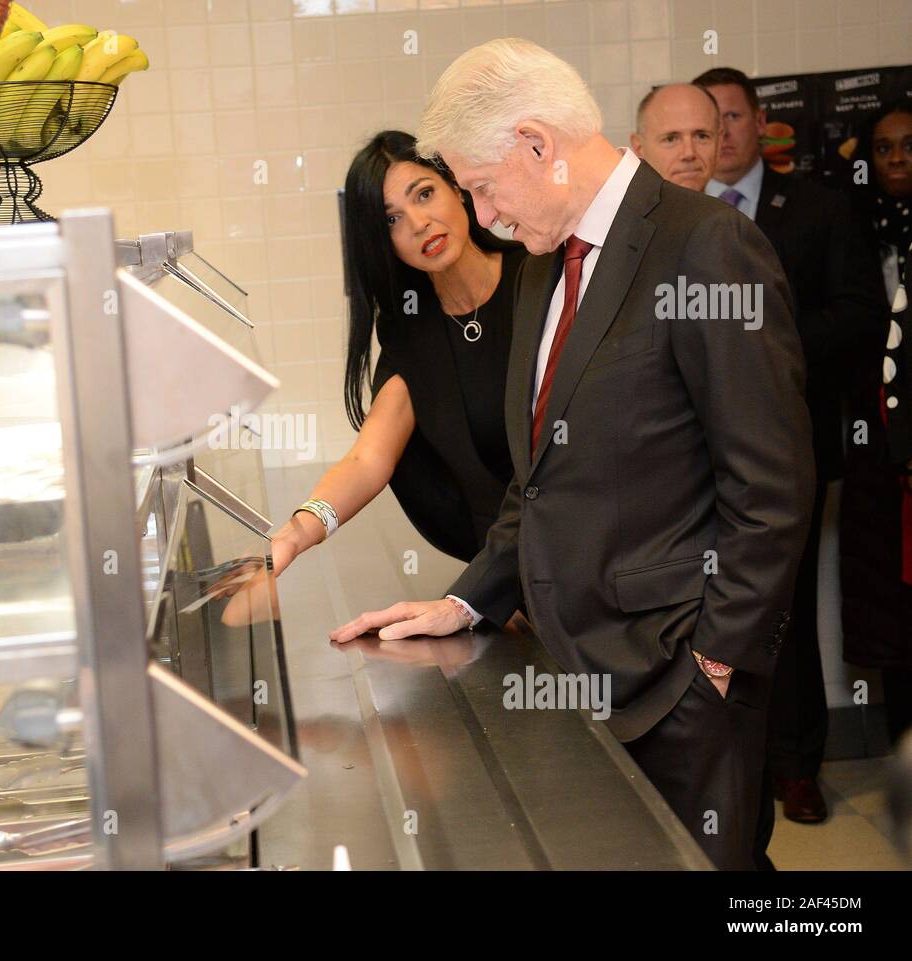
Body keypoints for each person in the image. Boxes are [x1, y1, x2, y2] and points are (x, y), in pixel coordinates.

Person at [331, 39, 815, 871]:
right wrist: (467, 602)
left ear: (536, 144)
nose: (480, 217)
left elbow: (770, 487)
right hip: (578, 678)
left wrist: (715, 664)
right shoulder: (539, 267)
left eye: (480, 187)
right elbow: (539, 480)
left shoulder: (704, 246)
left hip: (680, 687)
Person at [695, 67, 888, 825]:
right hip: (691, 465)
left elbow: (862, 315)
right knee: (709, 614)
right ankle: (722, 768)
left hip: (787, 456)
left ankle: (796, 765)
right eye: (703, 123)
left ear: (759, 123)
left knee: (785, 612)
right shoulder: (670, 219)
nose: (719, 134)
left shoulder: (816, 208)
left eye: (732, 118)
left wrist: (766, 348)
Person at [269, 131, 526, 577]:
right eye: (391, 220)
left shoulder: (543, 279)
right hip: (507, 578)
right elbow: (367, 460)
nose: (418, 223)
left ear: (458, 189)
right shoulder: (412, 331)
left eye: (424, 194)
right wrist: (298, 531)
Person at [838, 100, 912, 751]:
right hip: (879, 443)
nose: (897, 159)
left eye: (908, 145)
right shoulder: (855, 227)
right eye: (883, 148)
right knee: (890, 596)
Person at [630, 83, 721, 192]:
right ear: (639, 148)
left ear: (719, 143)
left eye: (701, 136)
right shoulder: (618, 208)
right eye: (670, 139)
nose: (689, 153)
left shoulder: (729, 208)